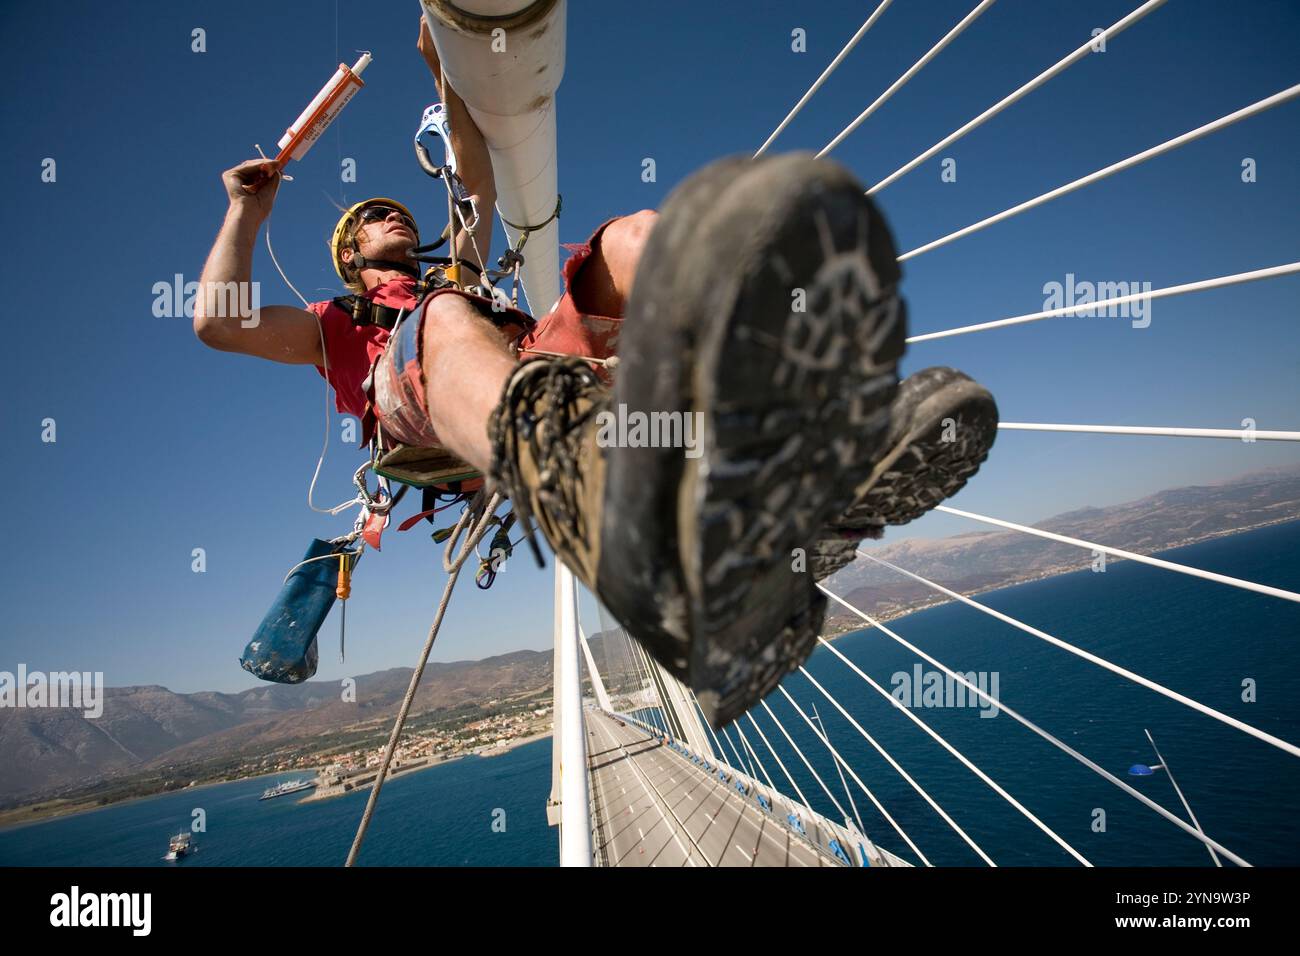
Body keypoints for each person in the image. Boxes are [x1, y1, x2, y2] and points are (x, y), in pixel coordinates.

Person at [194, 23, 998, 728]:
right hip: (432, 416)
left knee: (635, 242)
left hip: (533, 368)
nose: (391, 215)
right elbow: (219, 323)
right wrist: (246, 213)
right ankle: (602, 502)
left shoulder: (457, 279)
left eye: (394, 209)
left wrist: (444, 69)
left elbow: (474, 180)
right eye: (371, 220)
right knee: (443, 321)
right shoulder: (335, 328)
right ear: (348, 259)